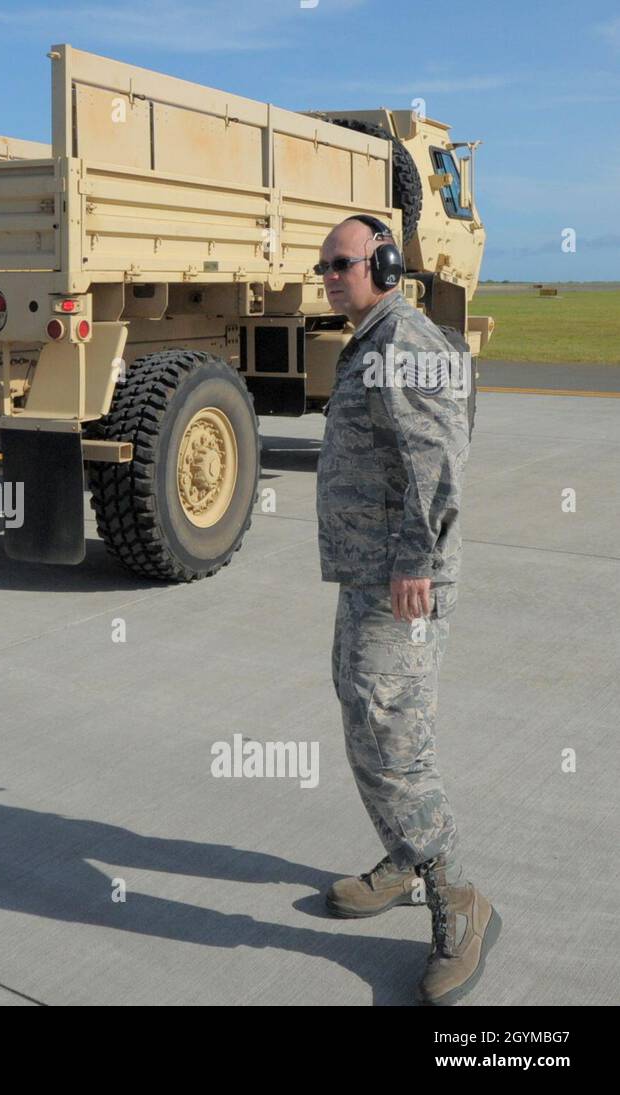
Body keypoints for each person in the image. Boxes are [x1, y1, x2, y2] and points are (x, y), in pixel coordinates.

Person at [314, 214, 500, 1005]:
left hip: (403, 578)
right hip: (372, 573)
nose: (327, 274)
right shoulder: (374, 337)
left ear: (385, 264)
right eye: (323, 264)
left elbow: (438, 459)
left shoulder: (404, 343)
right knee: (365, 712)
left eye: (342, 263)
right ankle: (405, 854)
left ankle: (456, 893)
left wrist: (417, 561)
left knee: (394, 733)